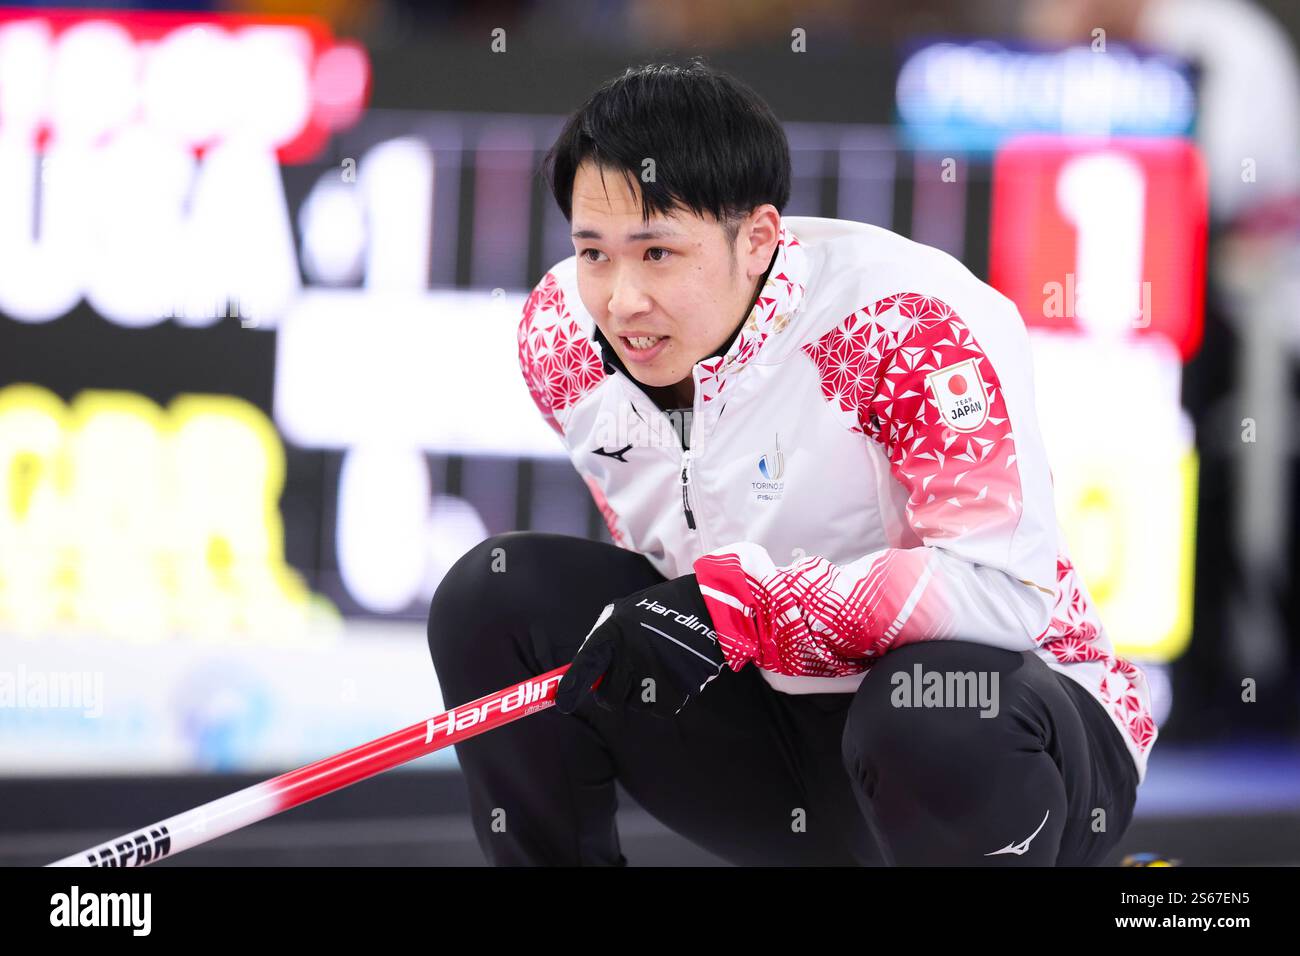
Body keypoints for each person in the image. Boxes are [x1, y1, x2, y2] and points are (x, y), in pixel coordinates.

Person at [427, 59, 1156, 866]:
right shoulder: (561, 338)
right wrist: (688, 616)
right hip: (790, 743)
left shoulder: (910, 322)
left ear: (761, 238)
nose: (622, 300)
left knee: (927, 709)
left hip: (1009, 739)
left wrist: (745, 608)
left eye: (658, 253)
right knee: (491, 596)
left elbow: (1004, 593)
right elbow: (672, 540)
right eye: (593, 252)